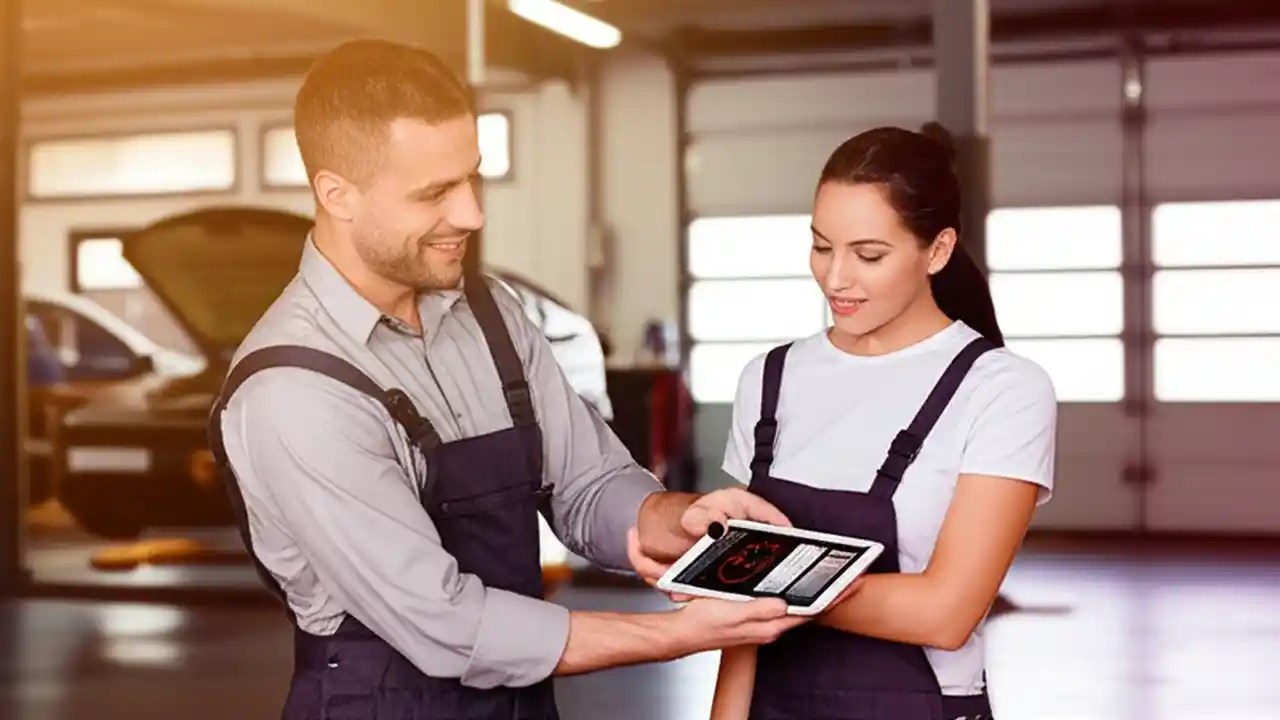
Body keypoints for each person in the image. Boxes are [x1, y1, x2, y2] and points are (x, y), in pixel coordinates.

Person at [208, 38, 807, 720]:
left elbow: (588, 484)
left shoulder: (490, 313)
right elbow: (448, 625)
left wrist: (679, 521)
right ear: (336, 195)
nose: (471, 214)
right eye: (435, 192)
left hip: (518, 698)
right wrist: (677, 636)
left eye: (473, 178)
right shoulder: (294, 391)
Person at [706, 124, 1057, 719]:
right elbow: (741, 636)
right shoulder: (768, 378)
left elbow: (945, 613)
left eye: (868, 255)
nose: (835, 278)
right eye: (821, 246)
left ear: (938, 250)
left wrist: (757, 577)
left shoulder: (1001, 390)